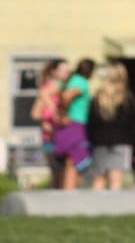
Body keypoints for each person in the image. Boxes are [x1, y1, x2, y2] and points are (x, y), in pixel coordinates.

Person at [88, 62, 135, 191]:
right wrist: (134, 145)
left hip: (100, 144)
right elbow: (133, 125)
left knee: (98, 180)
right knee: (116, 181)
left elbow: (91, 124)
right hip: (122, 143)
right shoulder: (128, 99)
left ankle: (94, 204)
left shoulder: (97, 98)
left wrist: (91, 141)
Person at [55, 58, 95, 189]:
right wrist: (65, 113)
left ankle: (67, 191)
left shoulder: (72, 80)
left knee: (70, 163)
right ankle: (69, 193)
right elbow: (66, 96)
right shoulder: (81, 81)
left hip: (69, 126)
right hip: (76, 125)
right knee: (74, 162)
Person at [31, 59, 68, 189]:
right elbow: (35, 113)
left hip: (64, 134)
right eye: (63, 70)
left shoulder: (67, 88)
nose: (66, 73)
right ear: (54, 72)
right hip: (49, 137)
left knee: (63, 172)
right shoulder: (51, 87)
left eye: (67, 70)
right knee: (56, 171)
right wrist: (45, 121)